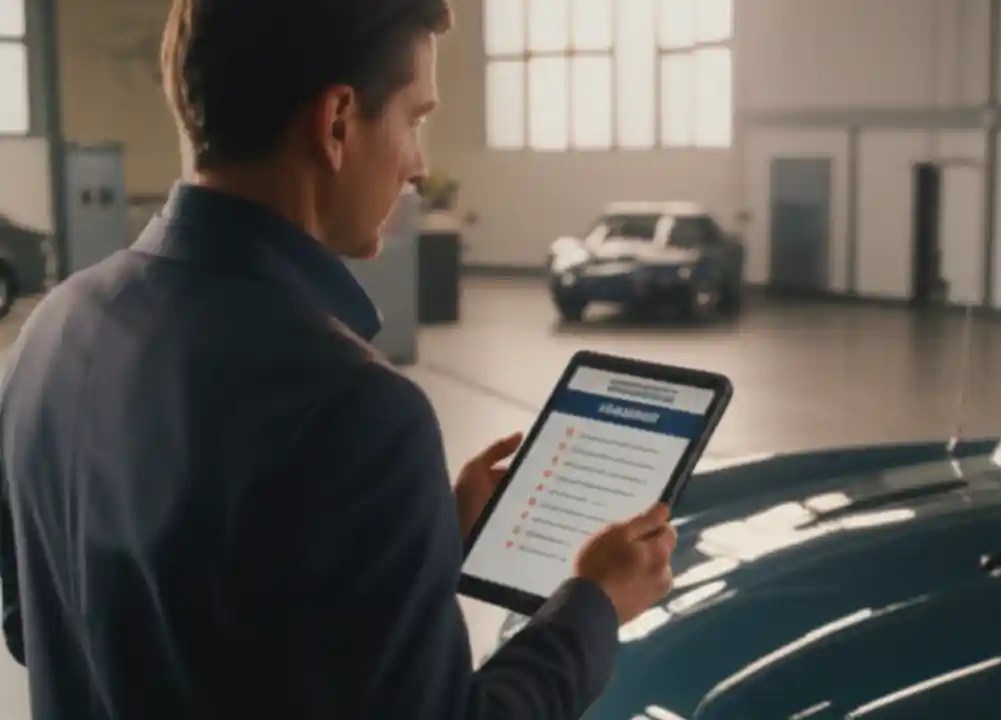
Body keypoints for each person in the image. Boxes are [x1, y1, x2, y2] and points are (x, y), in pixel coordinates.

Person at [0, 0, 677, 717]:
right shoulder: (354, 410)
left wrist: (422, 539)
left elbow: (39, 626)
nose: (419, 165)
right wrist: (593, 608)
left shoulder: (48, 334)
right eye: (414, 121)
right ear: (335, 124)